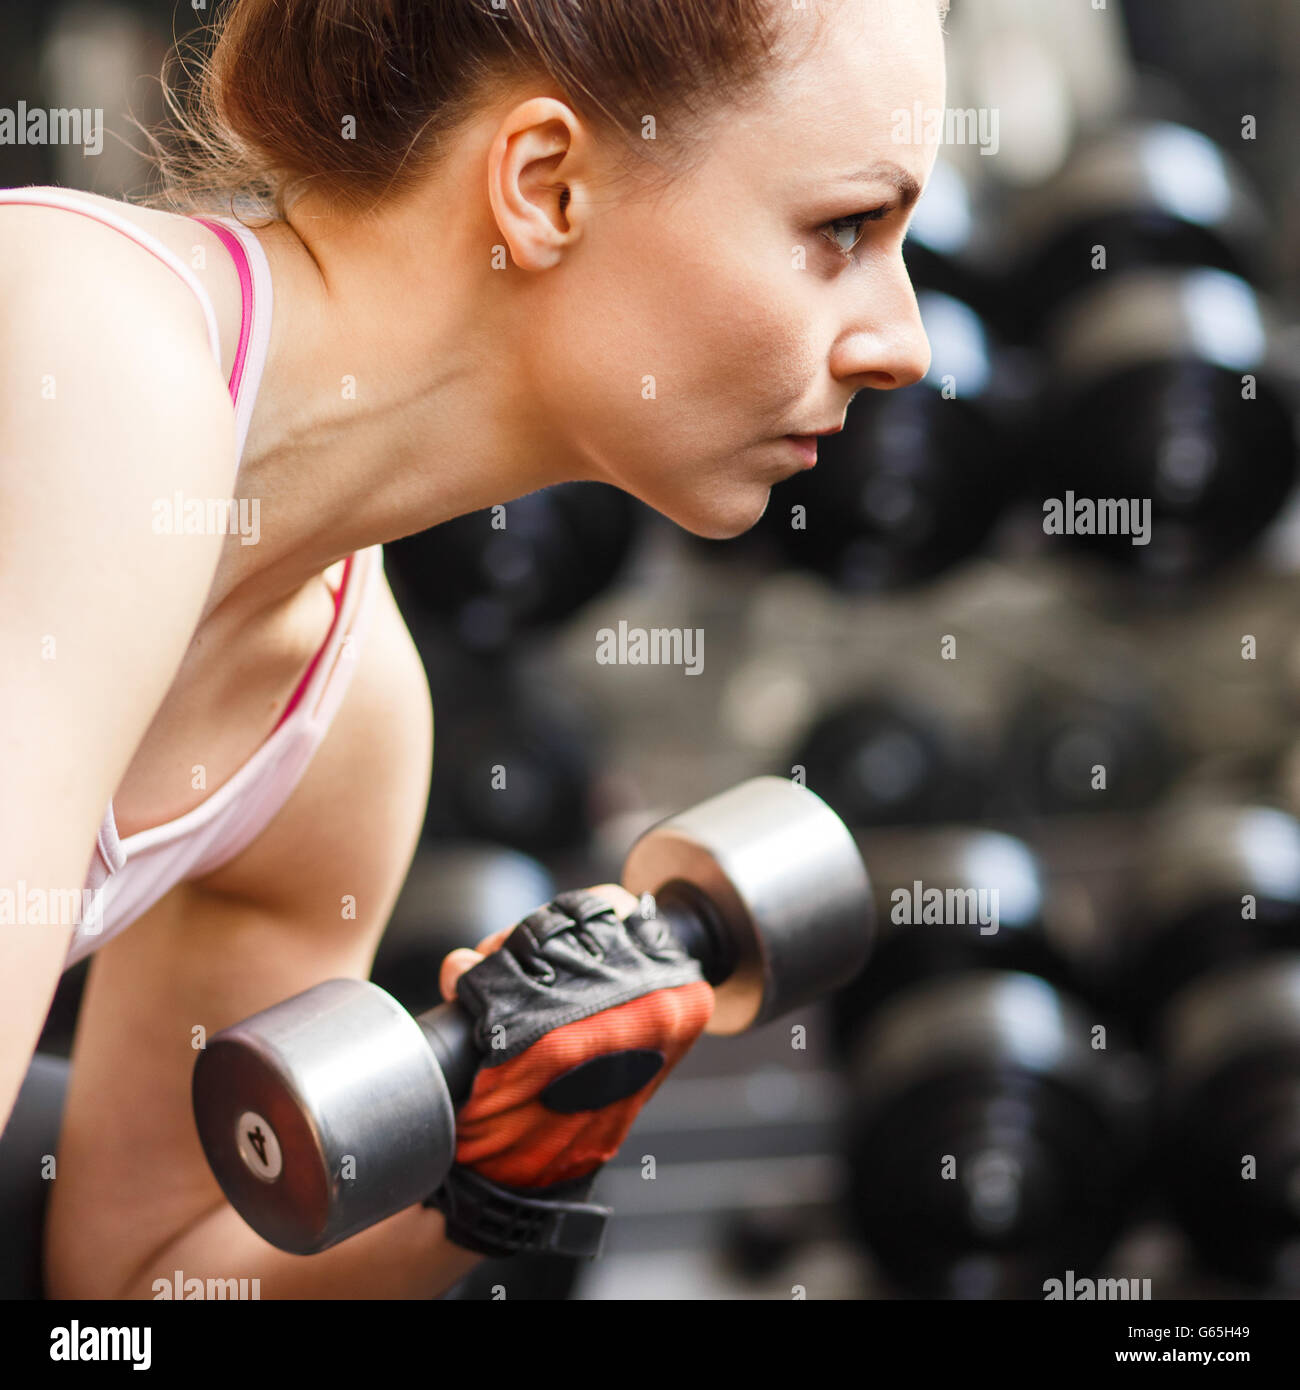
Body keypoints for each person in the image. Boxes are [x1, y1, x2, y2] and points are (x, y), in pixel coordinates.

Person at [0, 0, 944, 1297]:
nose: (906, 345)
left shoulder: (345, 719)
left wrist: (501, 1172)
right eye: (844, 229)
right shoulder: (84, 353)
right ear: (546, 188)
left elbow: (127, 1291)